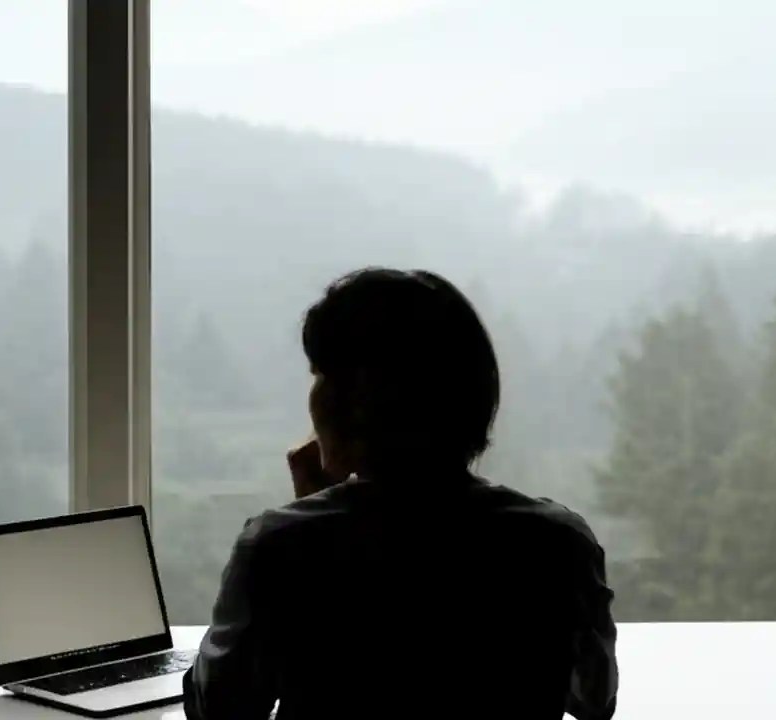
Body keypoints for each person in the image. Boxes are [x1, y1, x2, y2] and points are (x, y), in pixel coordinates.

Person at [183, 268, 618, 720]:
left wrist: (309, 515)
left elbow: (220, 708)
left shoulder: (280, 545)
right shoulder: (558, 540)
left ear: (351, 401)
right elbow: (594, 699)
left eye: (319, 375)